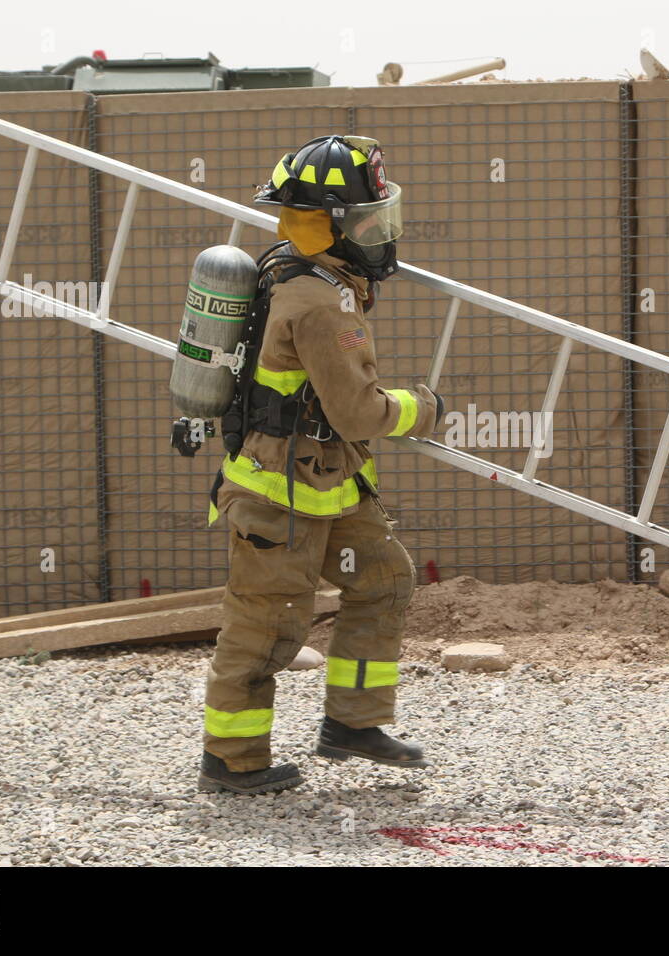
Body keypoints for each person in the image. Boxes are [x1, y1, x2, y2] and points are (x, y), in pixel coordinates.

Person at [197, 135, 443, 795]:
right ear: (328, 225)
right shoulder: (318, 304)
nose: (378, 233)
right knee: (266, 625)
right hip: (279, 496)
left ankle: (354, 723)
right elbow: (360, 413)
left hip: (327, 484)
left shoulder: (306, 270)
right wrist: (422, 409)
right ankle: (232, 758)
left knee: (384, 580)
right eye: (367, 220)